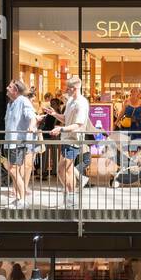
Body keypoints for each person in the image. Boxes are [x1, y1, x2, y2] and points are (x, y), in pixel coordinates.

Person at [49, 75, 90, 208]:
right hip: (67, 139)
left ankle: (71, 197)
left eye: (69, 88)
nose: (66, 90)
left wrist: (62, 129)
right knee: (65, 170)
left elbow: (78, 124)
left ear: (75, 88)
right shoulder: (71, 101)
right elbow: (66, 119)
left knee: (64, 169)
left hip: (73, 140)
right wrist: (54, 114)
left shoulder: (81, 103)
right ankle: (70, 197)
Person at [3, 78, 36, 207]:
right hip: (9, 142)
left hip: (18, 143)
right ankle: (18, 198)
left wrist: (32, 127)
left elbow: (31, 116)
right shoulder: (10, 103)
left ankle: (22, 199)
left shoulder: (23, 101)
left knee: (13, 170)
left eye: (9, 87)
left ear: (15, 90)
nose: (7, 88)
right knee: (13, 170)